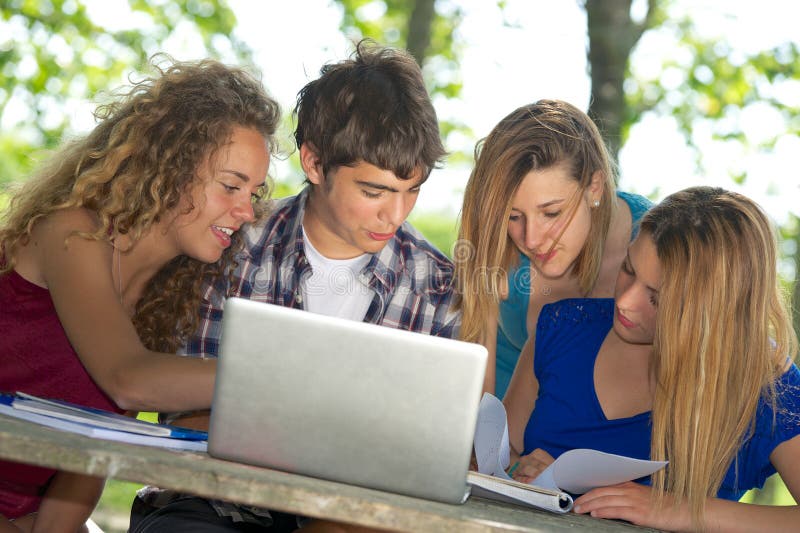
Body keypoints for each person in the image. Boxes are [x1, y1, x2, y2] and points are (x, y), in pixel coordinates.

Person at [128, 40, 459, 533]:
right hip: (212, 504)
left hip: (352, 520)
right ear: (314, 163)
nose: (397, 214)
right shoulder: (231, 245)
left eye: (413, 191)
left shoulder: (437, 287)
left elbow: (431, 458)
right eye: (375, 192)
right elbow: (181, 419)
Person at [0, 57, 281, 532]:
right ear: (170, 168)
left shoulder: (165, 300)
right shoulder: (73, 234)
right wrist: (282, 376)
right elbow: (127, 379)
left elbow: (95, 448)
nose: (247, 211)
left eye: (253, 193)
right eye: (231, 186)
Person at [503, 186, 800, 531]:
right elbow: (501, 451)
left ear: (712, 315)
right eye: (629, 269)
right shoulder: (563, 326)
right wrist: (522, 474)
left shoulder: (767, 386)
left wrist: (680, 510)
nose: (625, 302)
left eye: (656, 298)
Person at [455, 99, 652, 397]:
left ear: (594, 188)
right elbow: (473, 396)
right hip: (501, 427)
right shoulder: (497, 238)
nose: (531, 239)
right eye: (513, 216)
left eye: (551, 213)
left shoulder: (655, 245)